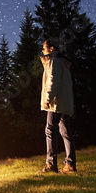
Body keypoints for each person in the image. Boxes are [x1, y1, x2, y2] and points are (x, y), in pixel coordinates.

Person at [39, 38, 77, 173]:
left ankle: (51, 164)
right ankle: (70, 164)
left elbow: (53, 82)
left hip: (56, 103)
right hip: (64, 103)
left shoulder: (54, 62)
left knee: (50, 130)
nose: (42, 51)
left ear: (51, 48)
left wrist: (48, 99)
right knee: (65, 131)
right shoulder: (63, 63)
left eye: (44, 48)